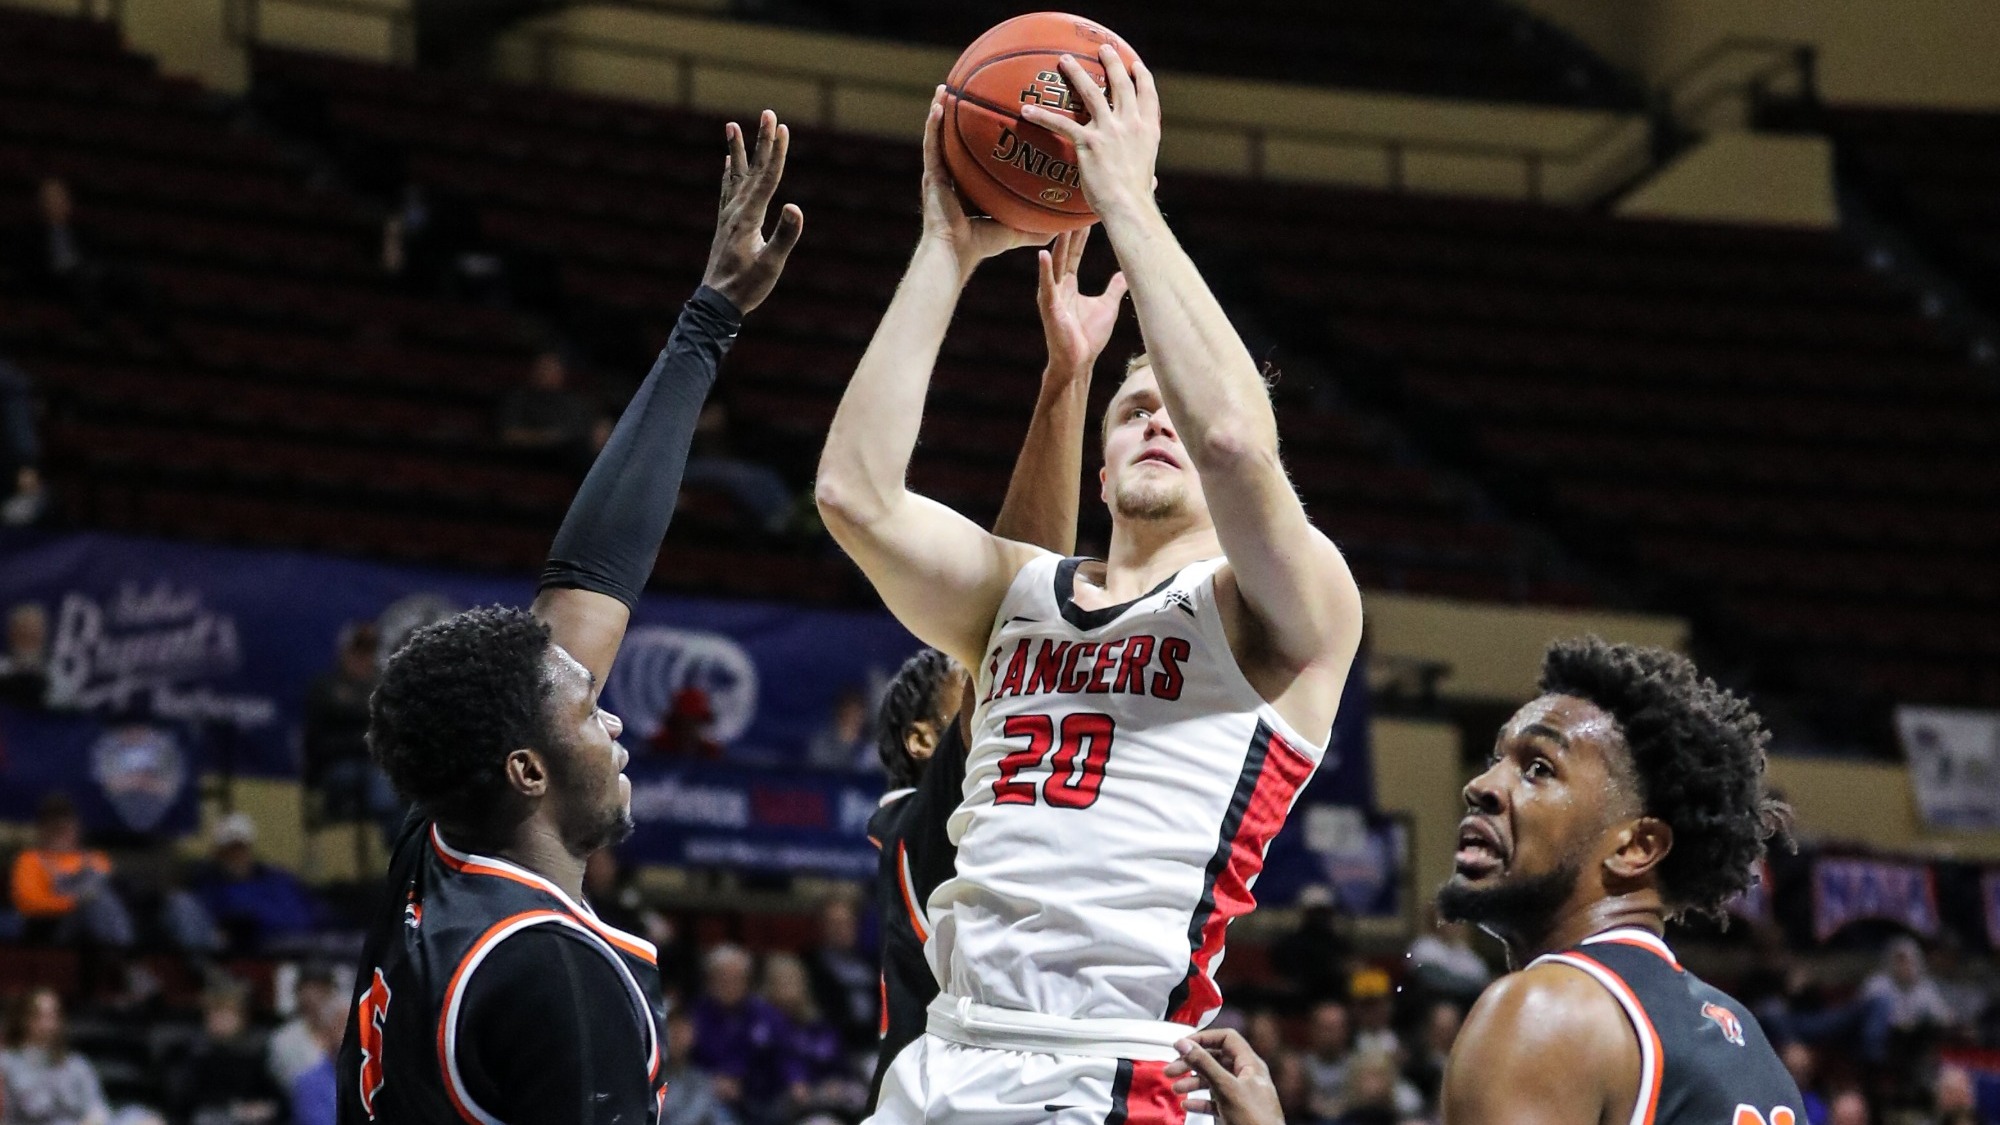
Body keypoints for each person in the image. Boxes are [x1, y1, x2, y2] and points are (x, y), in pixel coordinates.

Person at [817, 48, 1364, 1125]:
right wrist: (944, 252)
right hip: (940, 1058)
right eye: (1128, 408)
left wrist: (1128, 199)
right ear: (1099, 467)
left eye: (1169, 403)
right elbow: (854, 495)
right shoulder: (1017, 595)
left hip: (1106, 1071)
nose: (1156, 416)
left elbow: (1231, 437)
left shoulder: (1278, 610)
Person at [332, 109, 801, 1125]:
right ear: (527, 769)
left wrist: (709, 317)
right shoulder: (548, 973)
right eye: (586, 712)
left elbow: (591, 570)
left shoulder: (446, 849)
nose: (614, 721)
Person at [1165, 638, 1803, 1125]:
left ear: (1636, 846)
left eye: (1538, 768)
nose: (1482, 785)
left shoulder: (1546, 1010)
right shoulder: (1746, 1042)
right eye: (1496, 757)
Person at [862, 223, 1122, 1104]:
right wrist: (1067, 378)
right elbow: (1027, 617)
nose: (996, 674)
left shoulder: (966, 818)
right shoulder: (930, 817)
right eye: (970, 674)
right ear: (931, 735)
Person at [301, 623, 401, 842]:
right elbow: (317, 742)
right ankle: (399, 853)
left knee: (405, 781)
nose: (363, 659)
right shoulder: (325, 688)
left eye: (368, 653)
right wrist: (363, 739)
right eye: (357, 652)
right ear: (344, 653)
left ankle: (403, 852)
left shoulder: (383, 688)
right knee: (381, 779)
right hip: (335, 772)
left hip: (376, 767)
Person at [9, 794, 134, 949]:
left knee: (103, 903)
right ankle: (129, 960)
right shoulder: (29, 859)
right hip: (51, 928)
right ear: (42, 828)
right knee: (95, 904)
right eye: (53, 825)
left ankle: (124, 955)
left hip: (98, 926)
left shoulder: (95, 859)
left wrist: (83, 899)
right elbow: (28, 903)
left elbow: (107, 896)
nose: (60, 830)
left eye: (65, 825)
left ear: (77, 827)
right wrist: (75, 903)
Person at [191, 813, 322, 955]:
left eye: (241, 848)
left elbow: (312, 909)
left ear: (249, 848)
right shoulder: (211, 890)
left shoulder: (278, 879)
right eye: (231, 849)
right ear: (219, 853)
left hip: (310, 941)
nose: (237, 855)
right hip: (263, 952)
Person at [690, 944, 790, 1122]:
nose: (730, 985)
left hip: (765, 1097)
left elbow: (785, 1057)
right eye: (723, 978)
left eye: (737, 978)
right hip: (712, 1097)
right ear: (709, 980)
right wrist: (711, 1081)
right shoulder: (694, 1016)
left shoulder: (767, 1015)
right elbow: (684, 1063)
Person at [164, 982, 285, 1125]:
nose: (219, 1020)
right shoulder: (195, 1052)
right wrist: (233, 1109)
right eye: (214, 1013)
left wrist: (262, 1108)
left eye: (226, 1013)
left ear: (242, 1018)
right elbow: (185, 1101)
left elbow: (277, 1098)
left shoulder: (256, 1052)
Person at [0, 988, 110, 1125]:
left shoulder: (77, 1063)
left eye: (53, 1015)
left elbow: (97, 1108)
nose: (48, 1023)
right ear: (24, 1019)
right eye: (40, 1015)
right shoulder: (6, 1063)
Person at [802, 894, 877, 1053]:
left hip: (874, 1044)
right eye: (834, 924)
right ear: (821, 926)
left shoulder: (873, 962)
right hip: (833, 1048)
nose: (841, 930)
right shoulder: (809, 965)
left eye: (847, 923)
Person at [496, 349, 597, 456]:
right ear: (534, 371)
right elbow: (509, 434)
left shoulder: (571, 401)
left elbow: (583, 430)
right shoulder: (519, 398)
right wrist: (546, 436)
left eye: (554, 369)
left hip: (568, 455)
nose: (547, 373)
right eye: (544, 368)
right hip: (528, 456)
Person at [268, 964, 340, 1092]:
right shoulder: (283, 1038)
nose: (314, 996)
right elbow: (288, 1085)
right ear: (298, 992)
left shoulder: (347, 1032)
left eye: (322, 989)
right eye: (308, 989)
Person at [660, 1009, 736, 1125]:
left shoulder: (702, 1081)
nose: (678, 1038)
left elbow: (718, 1118)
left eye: (683, 1031)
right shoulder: (650, 1079)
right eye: (673, 1031)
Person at [806, 687, 873, 771]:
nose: (854, 717)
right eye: (849, 711)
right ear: (840, 713)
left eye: (858, 712)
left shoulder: (872, 748)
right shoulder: (821, 745)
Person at [0, 600, 50, 708]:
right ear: (12, 635)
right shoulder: (3, 670)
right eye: (23, 635)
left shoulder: (56, 675)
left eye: (34, 636)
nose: (29, 642)